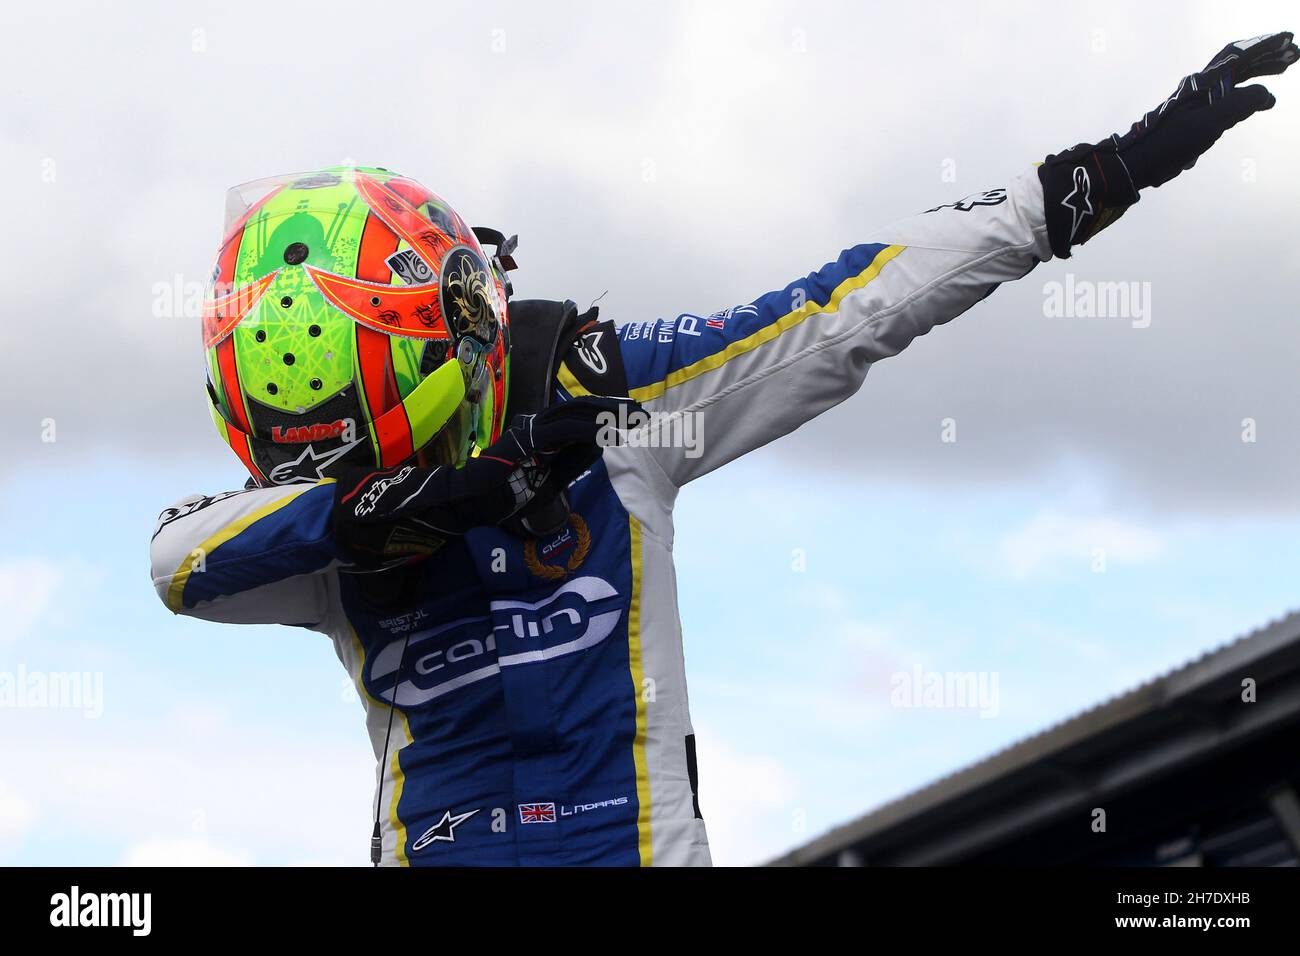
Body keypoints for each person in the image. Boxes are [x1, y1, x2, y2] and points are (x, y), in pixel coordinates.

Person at [151, 33, 1297, 866]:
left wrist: (1100, 173)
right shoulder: (314, 515)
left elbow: (845, 305)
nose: (322, 464)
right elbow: (173, 560)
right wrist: (396, 506)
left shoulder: (605, 395)